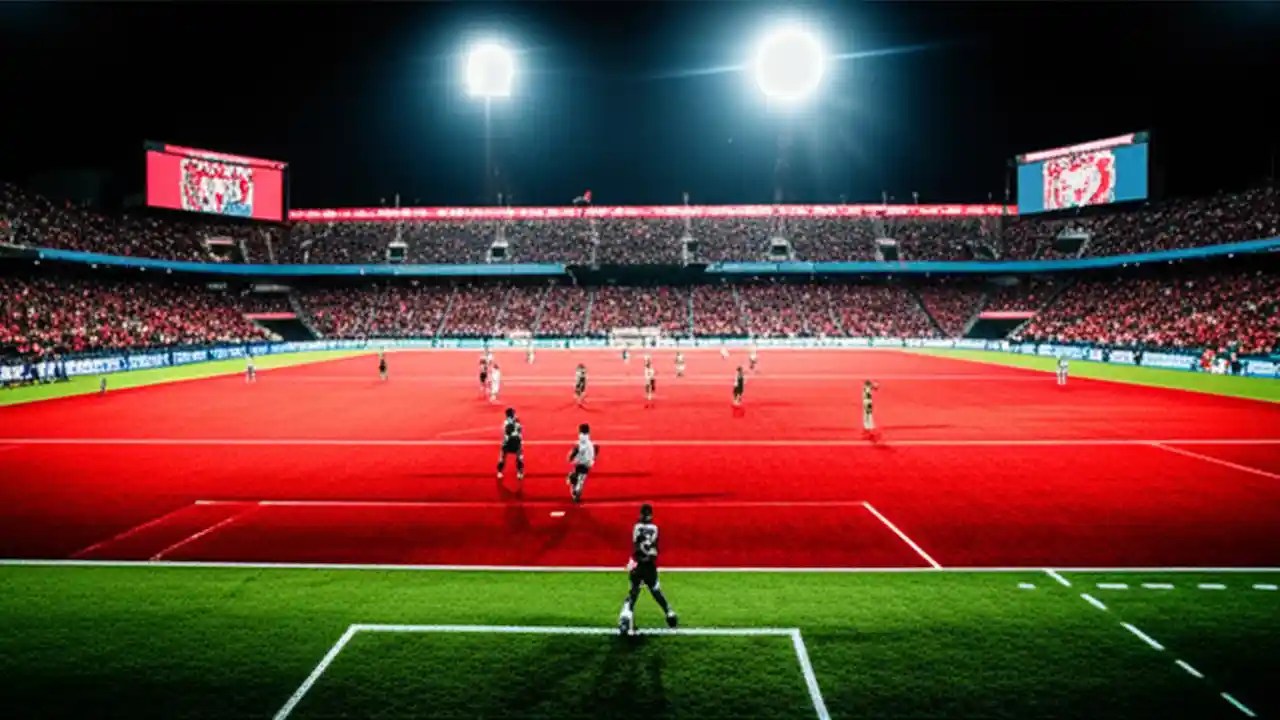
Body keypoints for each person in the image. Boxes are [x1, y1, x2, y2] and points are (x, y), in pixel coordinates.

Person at [618, 503, 678, 636]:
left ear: (640, 514)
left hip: (637, 564)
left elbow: (635, 544)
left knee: (633, 593)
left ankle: (625, 619)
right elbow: (655, 548)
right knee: (656, 591)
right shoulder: (655, 528)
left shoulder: (636, 527)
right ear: (651, 515)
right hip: (649, 565)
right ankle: (669, 613)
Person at [567, 423, 598, 504]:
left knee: (575, 477)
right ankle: (577, 488)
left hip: (580, 462)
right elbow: (596, 446)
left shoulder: (580, 439)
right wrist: (594, 458)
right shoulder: (589, 440)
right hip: (588, 462)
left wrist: (571, 457)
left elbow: (576, 449)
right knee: (582, 478)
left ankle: (575, 488)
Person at [497, 407, 525, 484]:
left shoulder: (511, 421)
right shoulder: (509, 422)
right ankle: (519, 473)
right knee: (516, 458)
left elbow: (517, 430)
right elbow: (511, 431)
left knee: (504, 458)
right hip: (513, 442)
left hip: (510, 442)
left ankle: (500, 472)